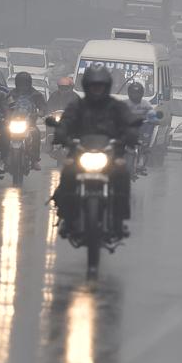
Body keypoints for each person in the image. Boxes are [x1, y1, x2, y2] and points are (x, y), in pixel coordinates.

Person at [52, 65, 137, 238]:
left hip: (109, 153)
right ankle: (64, 215)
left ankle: (120, 218)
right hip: (81, 152)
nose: (96, 89)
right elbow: (65, 122)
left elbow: (128, 124)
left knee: (122, 173)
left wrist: (130, 136)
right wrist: (61, 134)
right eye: (93, 85)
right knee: (67, 173)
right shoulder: (77, 106)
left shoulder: (116, 107)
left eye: (100, 85)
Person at [7, 71, 47, 169]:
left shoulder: (36, 95)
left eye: (25, 83)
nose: (22, 86)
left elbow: (43, 107)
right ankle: (3, 159)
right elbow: (5, 106)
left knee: (36, 134)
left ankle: (34, 160)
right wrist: (4, 115)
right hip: (13, 122)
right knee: (3, 133)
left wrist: (40, 112)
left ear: (29, 83)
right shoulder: (11, 94)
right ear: (17, 83)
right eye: (20, 83)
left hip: (30, 123)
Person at [126, 81, 155, 176]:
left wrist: (154, 119)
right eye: (133, 93)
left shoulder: (146, 104)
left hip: (141, 130)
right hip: (127, 130)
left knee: (146, 143)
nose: (135, 95)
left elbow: (152, 115)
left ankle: (142, 162)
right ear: (129, 93)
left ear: (141, 94)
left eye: (137, 93)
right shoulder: (124, 103)